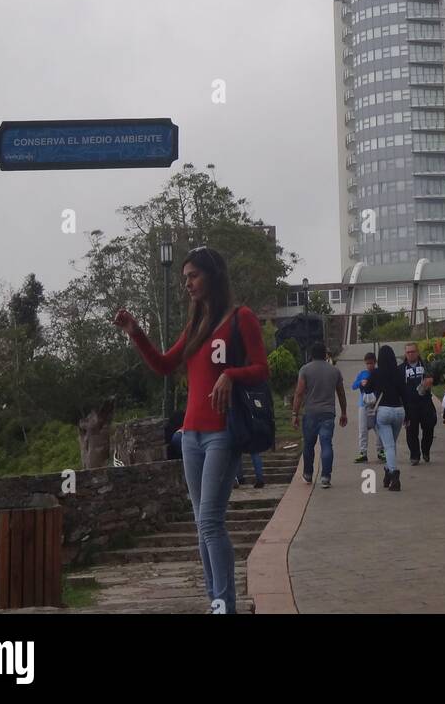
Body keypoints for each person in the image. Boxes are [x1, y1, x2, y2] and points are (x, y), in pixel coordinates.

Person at [113, 246, 268, 615]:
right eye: (184, 278)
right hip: (190, 434)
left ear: (213, 276)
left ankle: (223, 605)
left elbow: (262, 368)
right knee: (201, 523)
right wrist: (137, 333)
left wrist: (231, 373)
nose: (187, 284)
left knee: (212, 521)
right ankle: (214, 599)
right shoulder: (196, 325)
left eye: (193, 276)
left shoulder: (241, 317)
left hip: (222, 432)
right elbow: (165, 365)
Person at [292, 340, 347, 488]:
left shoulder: (305, 369)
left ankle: (308, 474)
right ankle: (325, 477)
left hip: (310, 413)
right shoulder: (334, 371)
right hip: (328, 413)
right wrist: (344, 412)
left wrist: (294, 414)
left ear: (311, 355)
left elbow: (299, 393)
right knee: (326, 444)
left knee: (309, 445)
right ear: (325, 355)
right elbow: (341, 393)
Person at [362, 344, 406, 490]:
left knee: (388, 446)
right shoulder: (399, 372)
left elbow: (367, 389)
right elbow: (404, 394)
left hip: (383, 412)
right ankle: (387, 472)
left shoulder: (375, 373)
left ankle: (394, 475)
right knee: (391, 445)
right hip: (399, 411)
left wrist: (363, 384)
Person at [399, 342, 437, 465]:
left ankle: (426, 450)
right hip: (410, 406)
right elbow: (398, 387)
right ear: (405, 354)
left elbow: (434, 378)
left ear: (417, 352)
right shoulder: (401, 369)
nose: (410, 354)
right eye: (408, 352)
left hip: (425, 403)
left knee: (429, 428)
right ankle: (414, 455)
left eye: (413, 351)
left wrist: (430, 380)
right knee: (411, 432)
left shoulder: (425, 365)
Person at [352, 352, 386, 464]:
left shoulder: (378, 373)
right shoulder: (363, 374)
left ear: (375, 362)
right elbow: (354, 386)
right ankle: (363, 452)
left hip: (377, 405)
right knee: (362, 429)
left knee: (379, 428)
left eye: (371, 363)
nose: (369, 366)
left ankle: (380, 451)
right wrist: (361, 383)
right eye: (367, 363)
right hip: (363, 404)